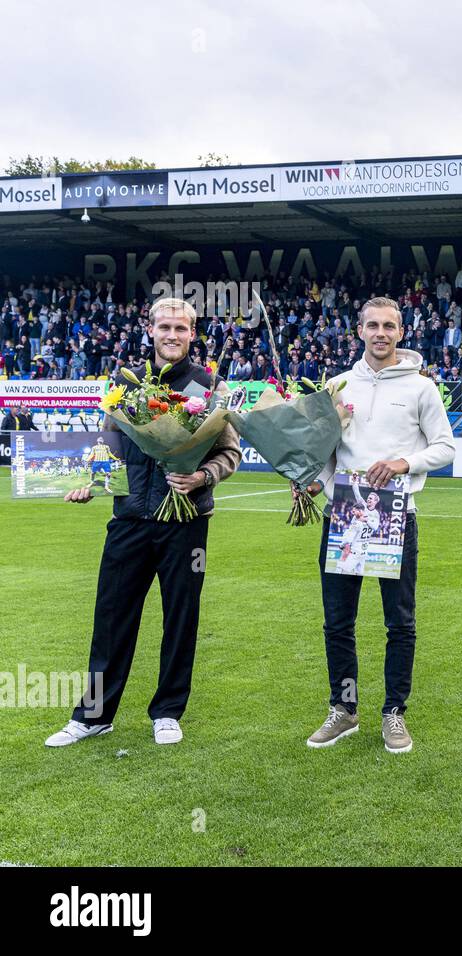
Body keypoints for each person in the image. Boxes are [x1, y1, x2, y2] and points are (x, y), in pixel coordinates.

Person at [45, 297, 241, 748]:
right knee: (111, 619)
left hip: (186, 522)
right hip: (129, 519)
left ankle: (168, 711)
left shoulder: (211, 386)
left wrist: (202, 477)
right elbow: (107, 446)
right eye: (165, 327)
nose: (173, 335)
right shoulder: (123, 383)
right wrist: (90, 484)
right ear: (149, 330)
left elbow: (229, 452)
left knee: (181, 619)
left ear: (193, 334)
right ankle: (94, 716)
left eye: (181, 328)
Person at [300, 297, 455, 754]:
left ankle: (394, 712)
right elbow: (327, 452)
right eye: (373, 325)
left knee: (399, 623)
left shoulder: (421, 387)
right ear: (360, 330)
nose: (381, 333)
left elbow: (445, 447)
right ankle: (344, 709)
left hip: (395, 516)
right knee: (337, 622)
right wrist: (315, 482)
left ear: (401, 332)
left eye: (389, 326)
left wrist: (403, 462)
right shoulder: (337, 384)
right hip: (343, 516)